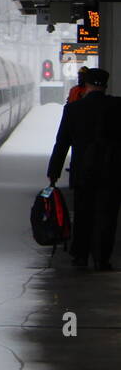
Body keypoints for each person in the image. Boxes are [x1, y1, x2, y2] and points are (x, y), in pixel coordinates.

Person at [48, 67, 121, 270]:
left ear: (85, 85)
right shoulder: (118, 106)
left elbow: (61, 143)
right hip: (112, 172)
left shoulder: (73, 109)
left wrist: (53, 172)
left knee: (83, 215)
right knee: (107, 217)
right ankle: (101, 259)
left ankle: (80, 256)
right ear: (105, 86)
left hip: (83, 172)